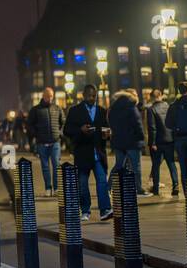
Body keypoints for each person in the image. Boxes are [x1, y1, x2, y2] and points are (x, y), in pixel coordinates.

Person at [63, 83, 112, 222]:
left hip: (98, 153)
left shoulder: (102, 111)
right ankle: (85, 210)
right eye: (90, 96)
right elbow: (67, 130)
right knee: (83, 185)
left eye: (94, 96)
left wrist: (107, 134)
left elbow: (106, 127)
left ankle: (105, 210)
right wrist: (80, 130)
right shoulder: (75, 111)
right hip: (83, 153)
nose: (92, 98)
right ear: (83, 96)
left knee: (102, 182)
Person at [108, 88, 147, 193]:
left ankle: (108, 186)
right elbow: (137, 124)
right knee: (136, 166)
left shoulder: (114, 108)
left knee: (118, 165)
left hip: (118, 141)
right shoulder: (131, 108)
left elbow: (110, 123)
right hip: (132, 141)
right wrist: (141, 137)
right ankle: (138, 188)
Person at [27, 86, 65, 193]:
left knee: (56, 165)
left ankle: (56, 188)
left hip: (55, 141)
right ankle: (48, 187)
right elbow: (29, 124)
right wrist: (36, 134)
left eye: (52, 96)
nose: (50, 98)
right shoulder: (35, 110)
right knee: (45, 166)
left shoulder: (57, 108)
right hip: (42, 142)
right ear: (43, 96)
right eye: (48, 96)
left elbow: (63, 122)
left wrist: (60, 133)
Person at [146, 87, 179, 196]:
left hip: (158, 142)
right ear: (161, 95)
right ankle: (175, 185)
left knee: (156, 165)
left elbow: (152, 128)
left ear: (152, 97)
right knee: (171, 163)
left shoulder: (151, 109)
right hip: (170, 140)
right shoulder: (168, 106)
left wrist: (153, 143)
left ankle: (155, 189)